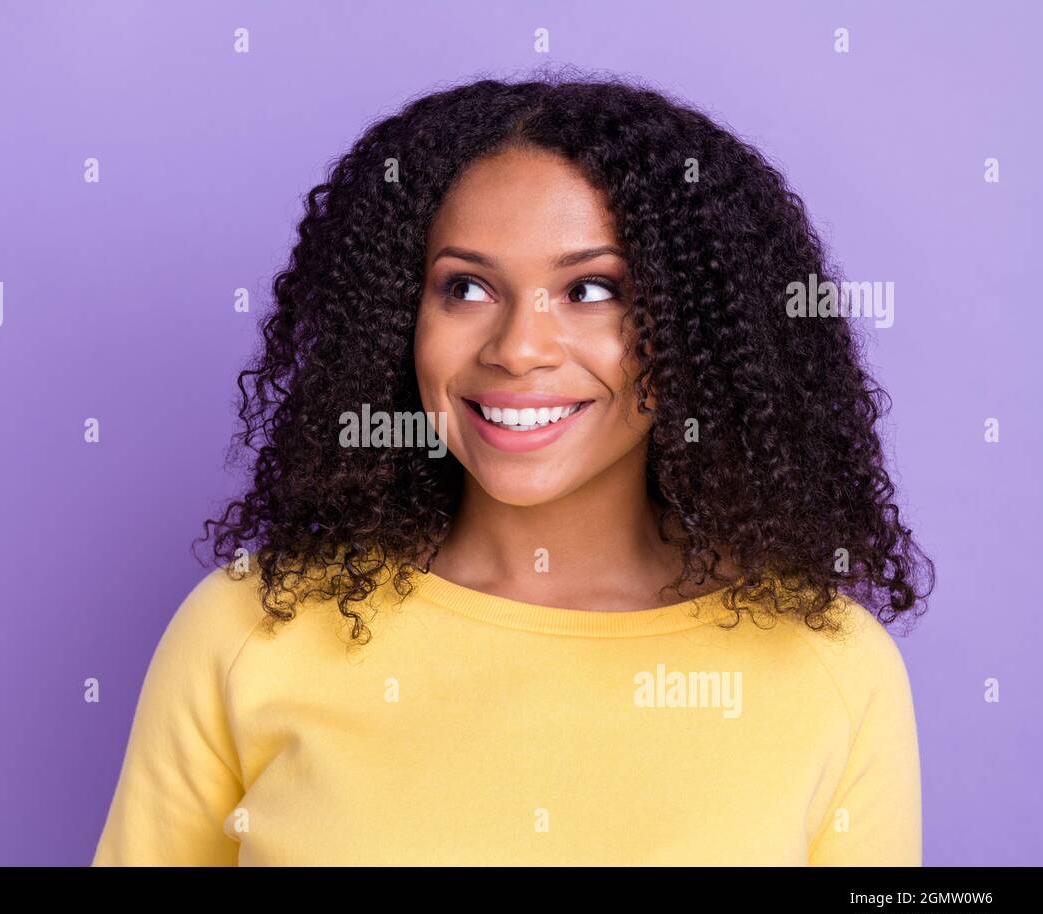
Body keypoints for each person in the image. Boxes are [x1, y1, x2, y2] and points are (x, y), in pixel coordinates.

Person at [92, 69, 933, 866]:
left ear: (698, 333)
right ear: (397, 321)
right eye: (465, 289)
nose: (518, 349)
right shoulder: (248, 629)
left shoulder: (829, 664)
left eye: (593, 290)